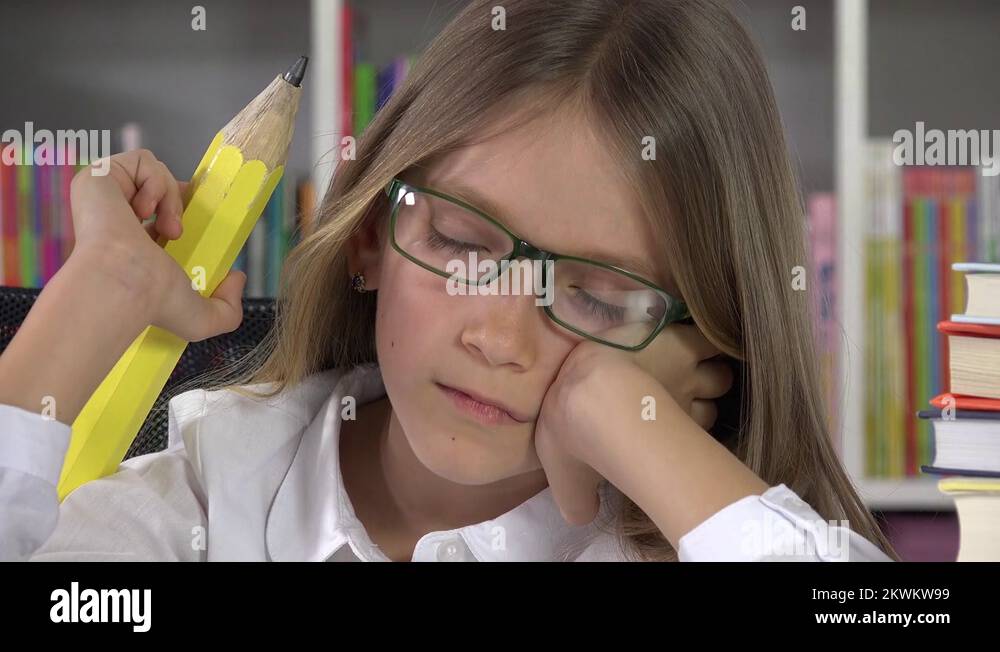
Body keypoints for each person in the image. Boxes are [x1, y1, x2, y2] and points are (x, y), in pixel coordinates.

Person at [0, 0, 896, 562]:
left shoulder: (671, 542)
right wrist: (101, 290)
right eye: (462, 242)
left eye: (592, 298)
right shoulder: (203, 503)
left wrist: (650, 440)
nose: (498, 338)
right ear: (370, 238)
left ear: (701, 359)